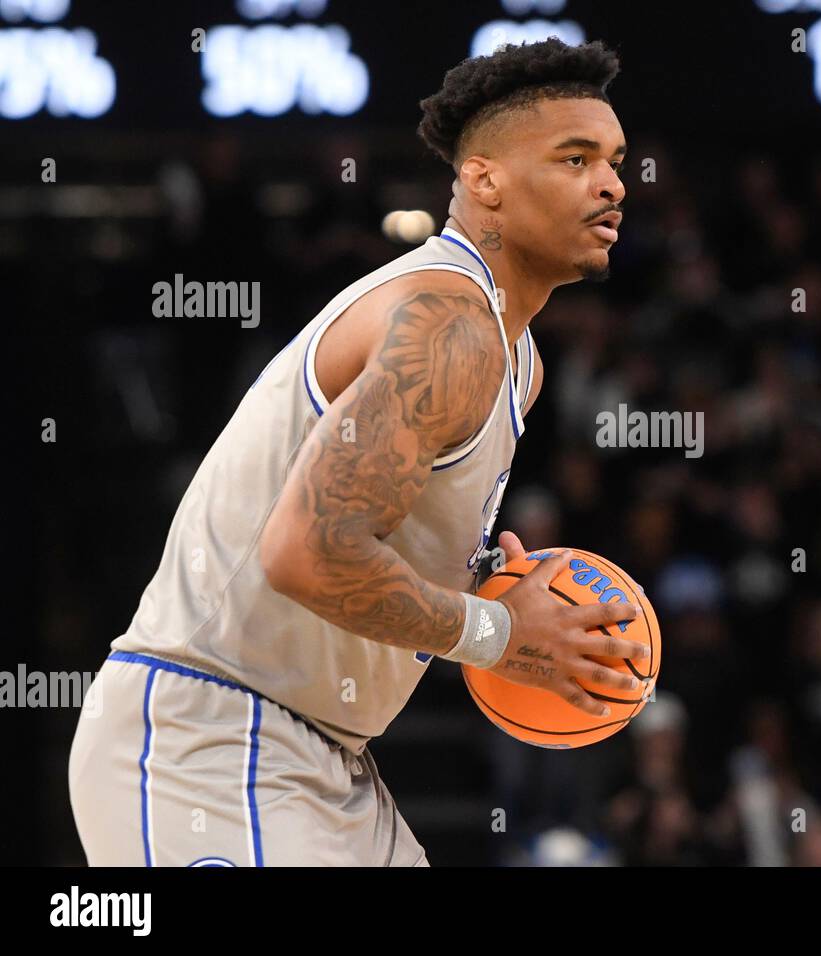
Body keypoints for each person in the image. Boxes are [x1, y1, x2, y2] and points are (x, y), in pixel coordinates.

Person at [68, 38, 649, 866]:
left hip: (324, 754)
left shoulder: (516, 359)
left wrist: (480, 579)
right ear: (483, 178)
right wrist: (498, 632)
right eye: (575, 157)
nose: (613, 184)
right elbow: (307, 553)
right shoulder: (448, 324)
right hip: (213, 738)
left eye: (617, 161)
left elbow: (368, 531)